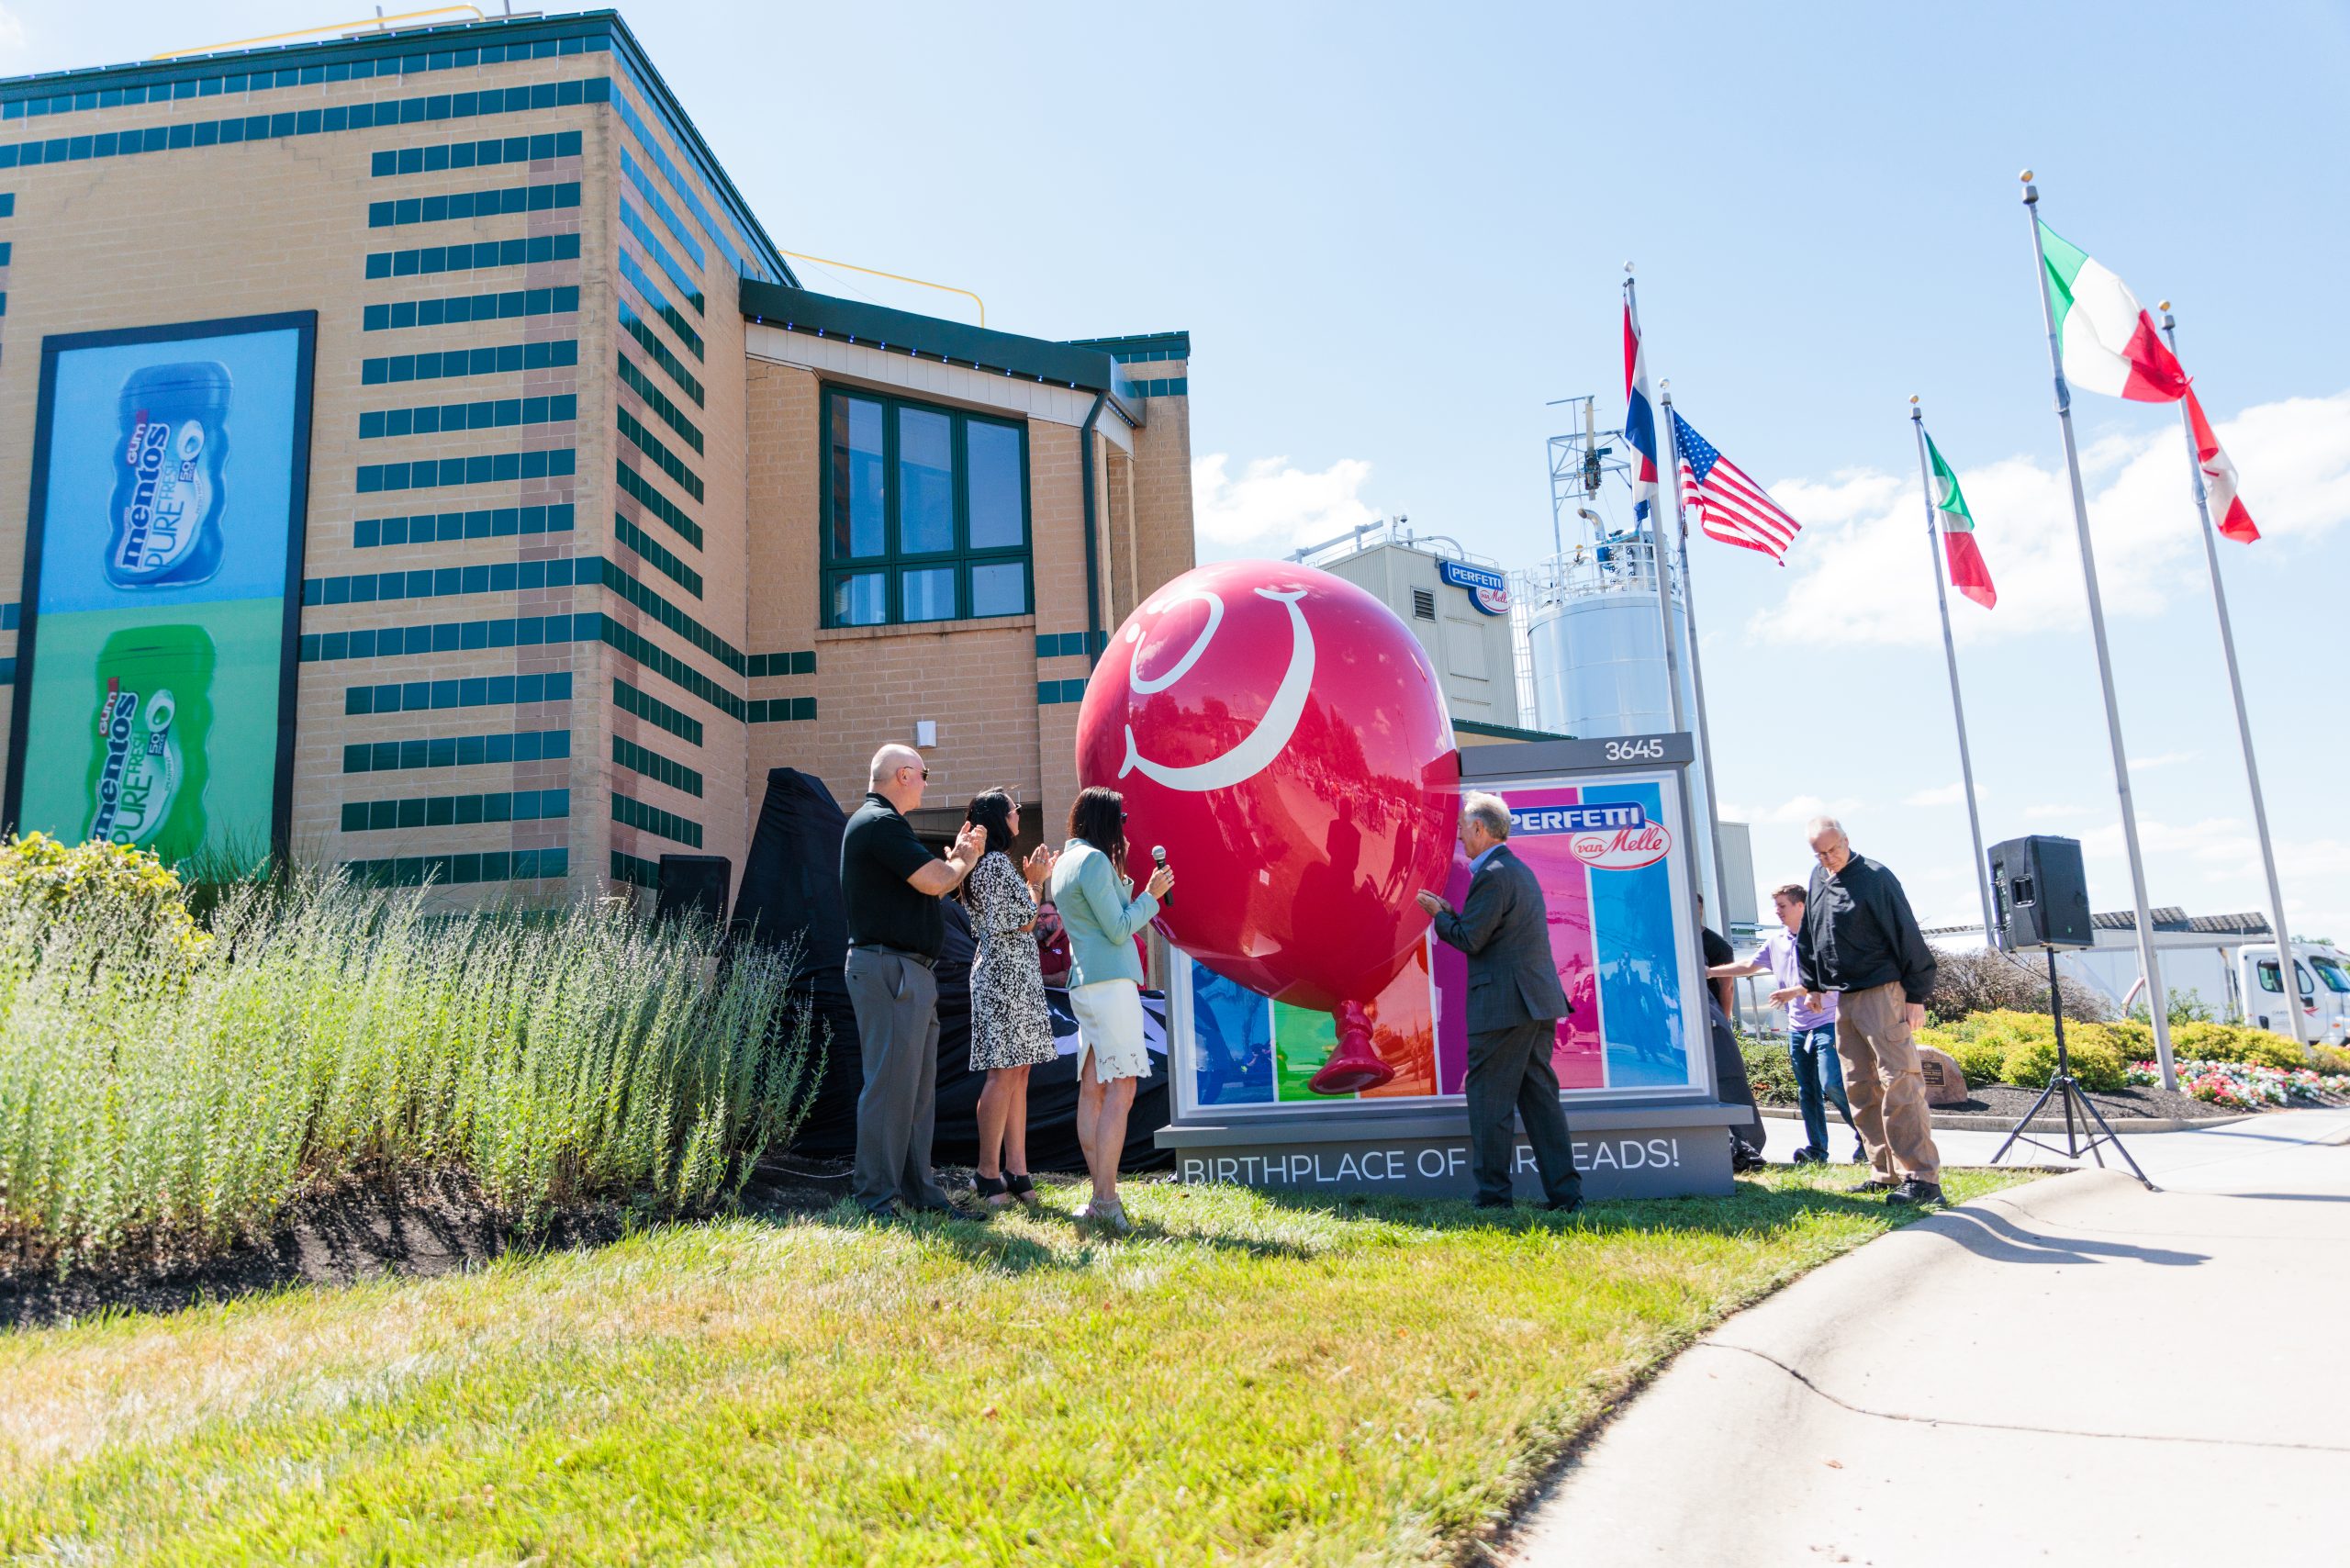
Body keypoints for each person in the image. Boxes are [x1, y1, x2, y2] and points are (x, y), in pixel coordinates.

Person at [1416, 792, 1583, 1214]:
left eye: (1461, 828)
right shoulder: (1515, 869)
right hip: (1535, 1005)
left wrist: (1437, 913)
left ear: (1479, 828)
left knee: (1490, 1103)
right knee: (1541, 1104)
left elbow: (1470, 938)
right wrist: (1454, 914)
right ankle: (1567, 1197)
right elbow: (1486, 932)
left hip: (1504, 1009)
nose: (1458, 836)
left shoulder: (1491, 873)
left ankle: (1493, 1198)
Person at [841, 744, 985, 1219]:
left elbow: (930, 882)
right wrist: (963, 859)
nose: (927, 781)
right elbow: (935, 881)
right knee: (889, 1089)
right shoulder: (879, 822)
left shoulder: (885, 824)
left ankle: (920, 1193)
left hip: (906, 971)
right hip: (891, 969)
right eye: (924, 773)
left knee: (917, 1093)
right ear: (904, 774)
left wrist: (954, 865)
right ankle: (875, 1200)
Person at [1793, 815, 1945, 1205]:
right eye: (1820, 853)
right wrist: (1812, 984)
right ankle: (1885, 1172)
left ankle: (1923, 1178)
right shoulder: (1817, 877)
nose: (1828, 858)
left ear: (1847, 839)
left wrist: (1916, 995)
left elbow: (1906, 933)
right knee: (1859, 1085)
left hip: (1885, 991)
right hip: (1844, 997)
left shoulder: (1876, 877)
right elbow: (1810, 932)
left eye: (1834, 849)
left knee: (1900, 1080)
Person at [1048, 786, 1173, 1234]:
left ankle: (1099, 1197)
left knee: (1091, 1090)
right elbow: (1121, 930)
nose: (1125, 828)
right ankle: (1106, 1199)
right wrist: (1152, 894)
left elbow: (1097, 918)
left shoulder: (1066, 863)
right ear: (1105, 821)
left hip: (1085, 984)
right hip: (1110, 985)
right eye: (1120, 821)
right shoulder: (1094, 862)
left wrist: (1128, 889)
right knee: (1121, 1091)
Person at [958, 789, 1059, 1210]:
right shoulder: (995, 864)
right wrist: (1036, 883)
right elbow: (1025, 922)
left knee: (1018, 1072)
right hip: (1003, 974)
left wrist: (1032, 885)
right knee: (1003, 1073)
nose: (1019, 816)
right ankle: (987, 1172)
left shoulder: (991, 865)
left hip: (1013, 974)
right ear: (1000, 819)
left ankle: (1017, 1170)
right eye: (1014, 811)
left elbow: (1025, 923)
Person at [1711, 883, 1861, 1164]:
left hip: (1828, 1022)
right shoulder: (1776, 941)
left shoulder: (1822, 938)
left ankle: (1867, 1139)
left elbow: (1833, 979)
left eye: (1782, 906)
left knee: (1832, 1084)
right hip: (1797, 1028)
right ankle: (1817, 1150)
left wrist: (1795, 991)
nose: (1777, 911)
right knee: (1808, 1092)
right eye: (1776, 906)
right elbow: (1748, 966)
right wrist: (1709, 972)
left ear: (1801, 906)